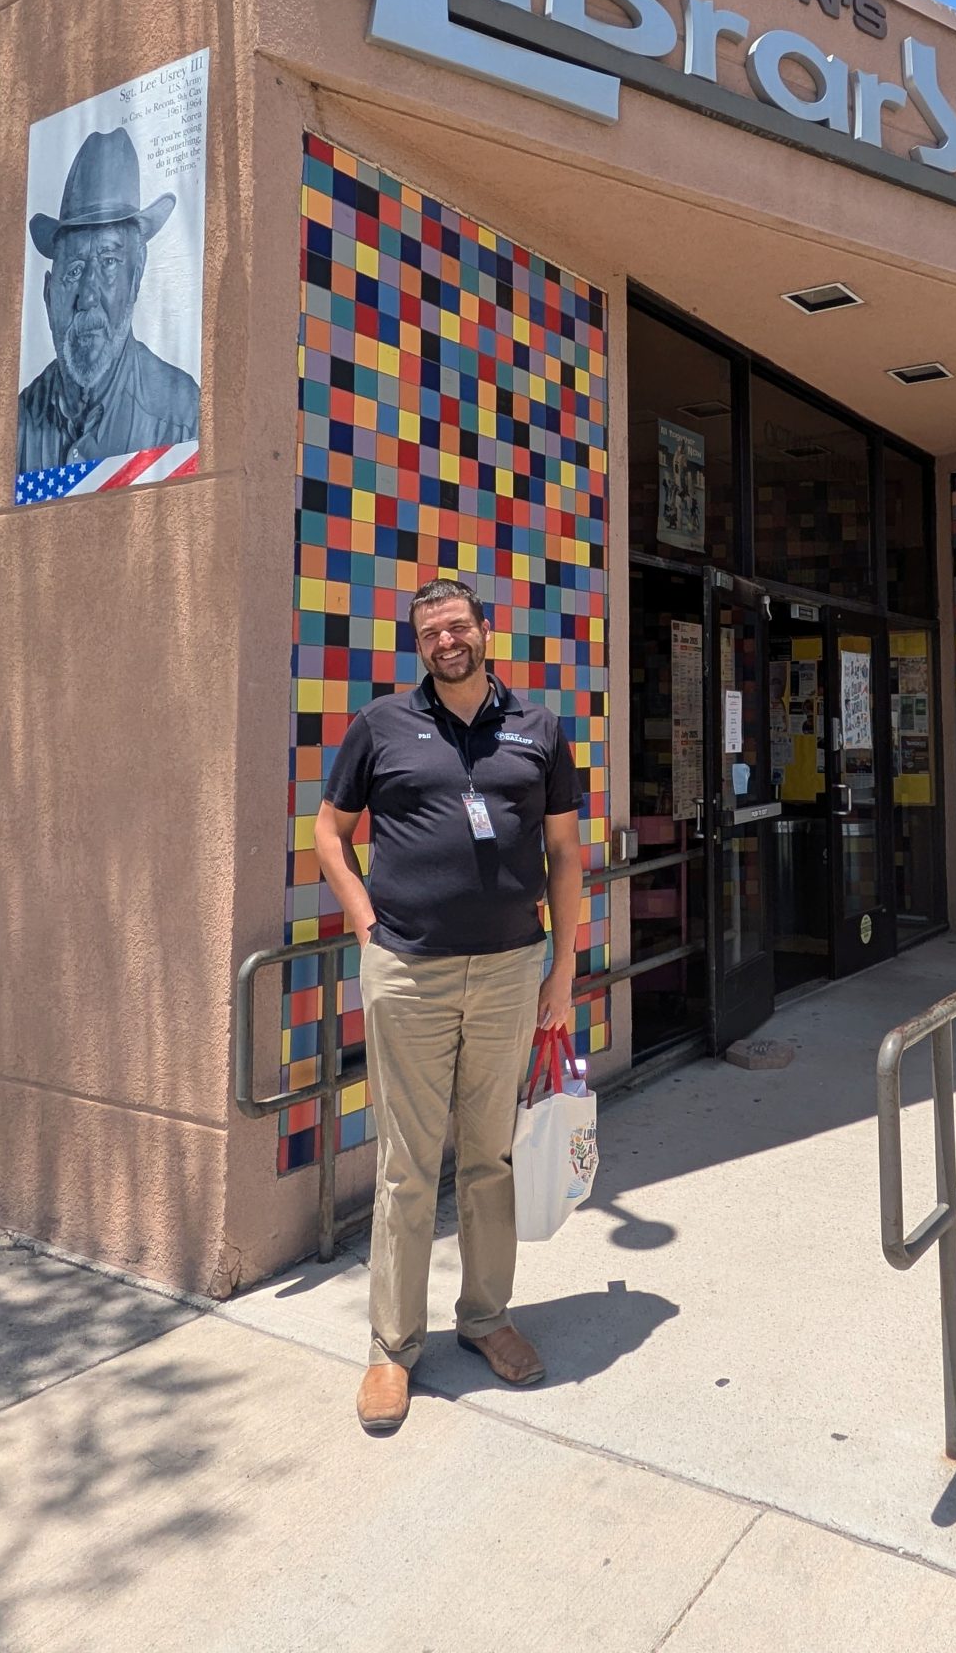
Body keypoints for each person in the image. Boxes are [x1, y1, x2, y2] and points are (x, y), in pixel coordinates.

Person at [314, 578, 583, 1434]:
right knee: (404, 1164)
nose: (447, 642)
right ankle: (392, 1349)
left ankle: (486, 1318)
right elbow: (330, 830)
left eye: (458, 626)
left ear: (485, 631)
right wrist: (364, 923)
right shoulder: (381, 727)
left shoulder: (538, 731)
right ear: (419, 645)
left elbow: (566, 855)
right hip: (411, 972)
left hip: (510, 972)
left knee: (489, 1159)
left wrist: (564, 969)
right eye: (431, 633)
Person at [17, 127, 199, 471]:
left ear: (136, 275)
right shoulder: (19, 424)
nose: (87, 296)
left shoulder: (183, 414)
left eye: (109, 262)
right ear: (47, 295)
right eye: (73, 271)